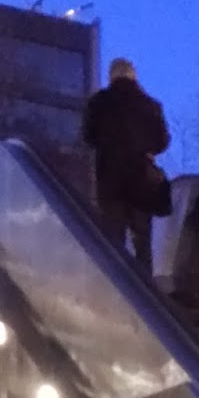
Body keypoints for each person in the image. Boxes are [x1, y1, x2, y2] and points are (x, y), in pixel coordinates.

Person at [82, 58, 170, 274]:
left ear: (111, 77)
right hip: (141, 182)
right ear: (134, 76)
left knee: (113, 239)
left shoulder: (98, 102)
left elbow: (88, 136)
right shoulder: (151, 106)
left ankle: (116, 288)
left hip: (110, 181)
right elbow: (162, 142)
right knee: (142, 241)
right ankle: (146, 292)